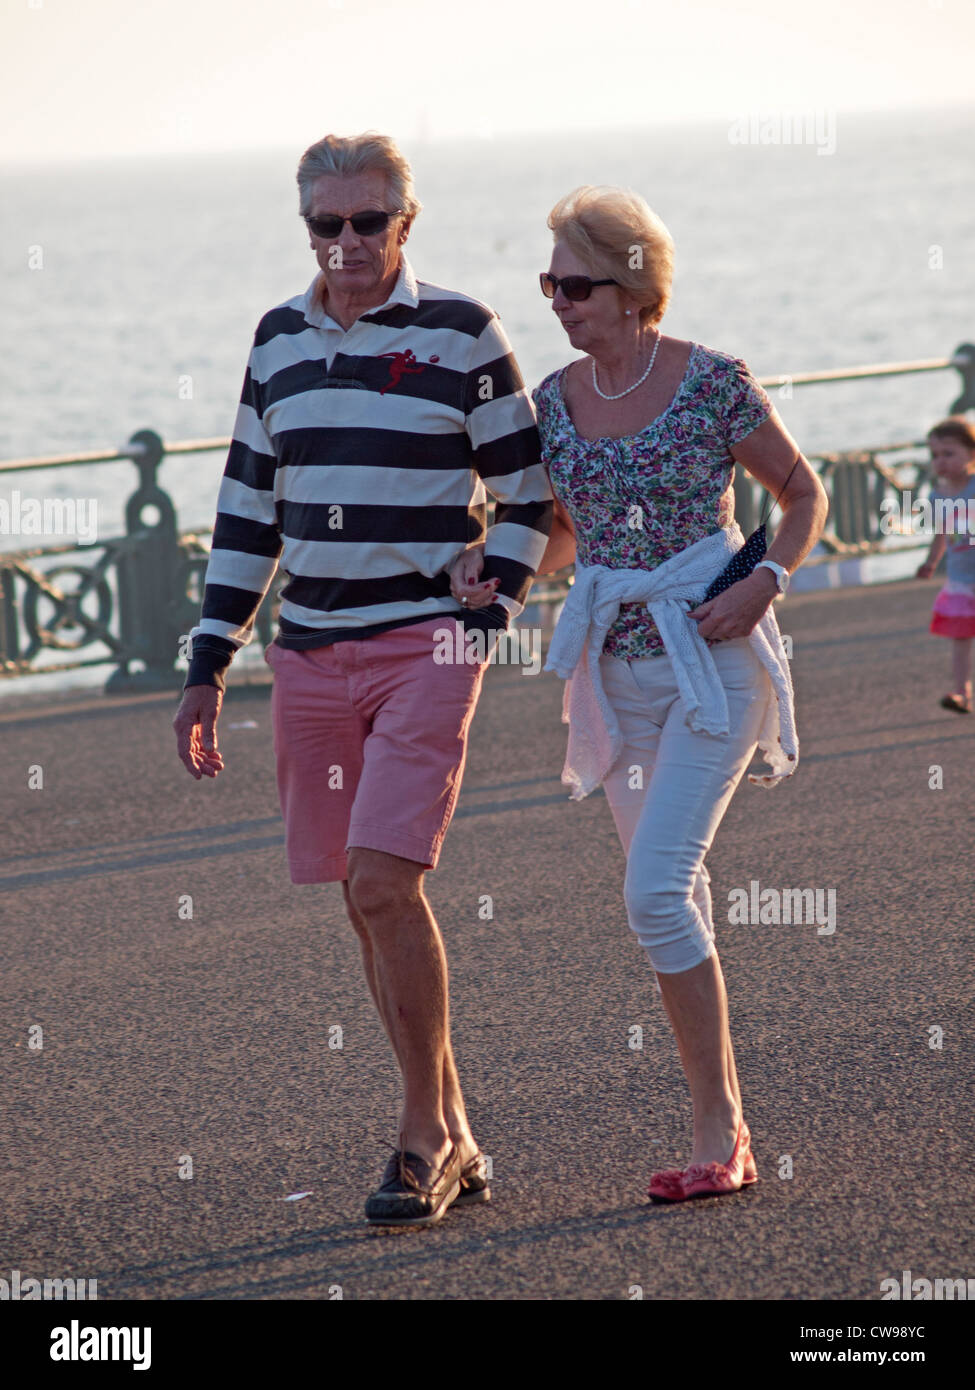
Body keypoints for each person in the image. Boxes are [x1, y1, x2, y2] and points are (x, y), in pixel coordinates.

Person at [172, 132, 553, 1228]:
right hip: (307, 653)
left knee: (386, 882)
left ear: (404, 222)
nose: (346, 243)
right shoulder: (278, 339)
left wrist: (497, 602)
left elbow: (526, 494)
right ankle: (459, 1130)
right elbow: (248, 508)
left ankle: (422, 1136)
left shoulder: (462, 332)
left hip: (429, 644)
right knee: (361, 893)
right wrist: (209, 664)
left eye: (366, 222)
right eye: (325, 225)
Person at [451, 184, 828, 1203]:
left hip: (716, 667)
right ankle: (733, 1129)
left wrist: (764, 581)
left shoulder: (710, 382)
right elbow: (571, 531)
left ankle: (717, 1128)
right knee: (679, 893)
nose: (559, 304)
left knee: (654, 890)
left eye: (575, 285)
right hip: (612, 681)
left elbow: (803, 494)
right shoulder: (553, 408)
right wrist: (499, 569)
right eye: (549, 285)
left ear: (629, 285)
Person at [916, 416, 975, 712]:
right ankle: (961, 693)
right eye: (935, 455)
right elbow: (941, 533)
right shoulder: (937, 495)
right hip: (961, 579)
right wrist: (931, 561)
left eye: (949, 454)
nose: (941, 462)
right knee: (960, 637)